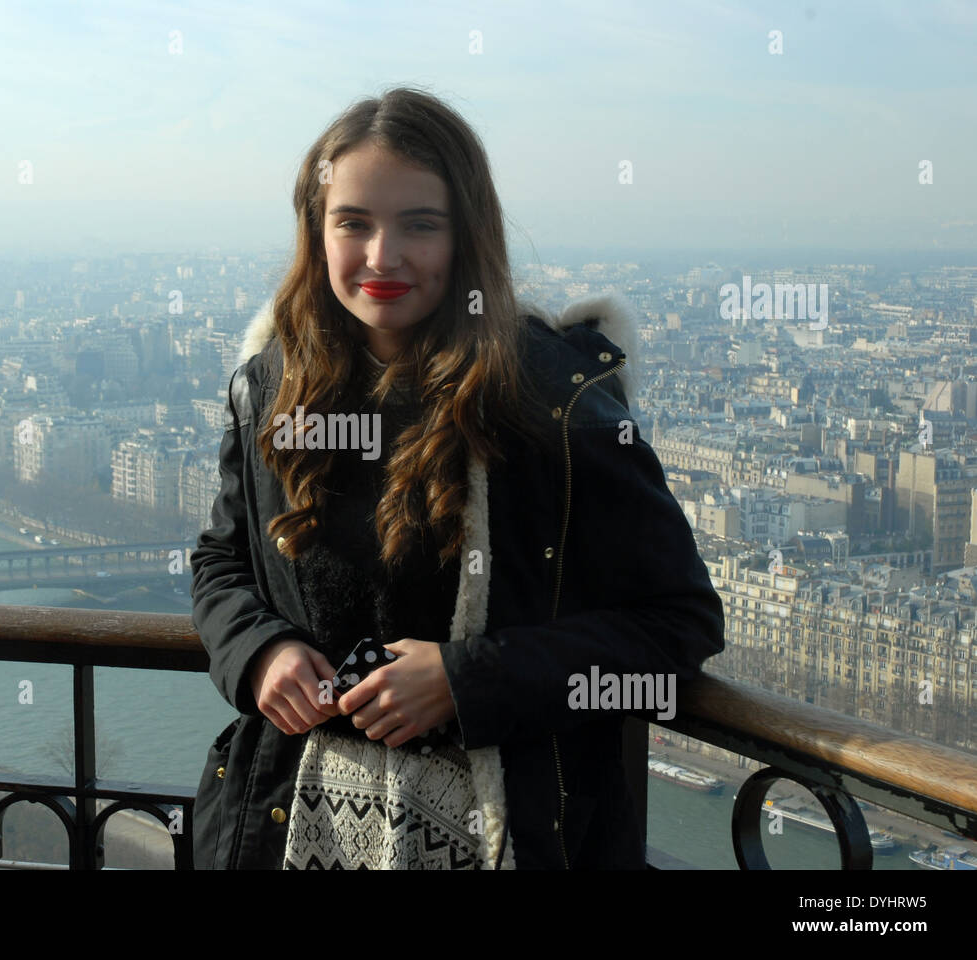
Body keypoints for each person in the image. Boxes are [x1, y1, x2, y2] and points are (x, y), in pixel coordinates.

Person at [189, 86, 725, 870]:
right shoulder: (270, 387)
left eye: (420, 225)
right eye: (353, 223)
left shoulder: (556, 402)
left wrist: (466, 682)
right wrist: (259, 651)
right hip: (297, 820)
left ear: (468, 236)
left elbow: (680, 622)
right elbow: (221, 560)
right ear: (316, 231)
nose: (383, 257)